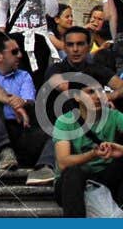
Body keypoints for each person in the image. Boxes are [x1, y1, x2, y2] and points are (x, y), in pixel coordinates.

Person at [0, 31, 56, 185]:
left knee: (56, 128)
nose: (20, 55)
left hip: (17, 129)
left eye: (19, 51)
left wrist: (22, 105)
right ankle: (5, 149)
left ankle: (44, 167)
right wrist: (11, 102)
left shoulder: (24, 76)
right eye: (14, 52)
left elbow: (28, 100)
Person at [53, 76, 123, 217]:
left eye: (100, 91)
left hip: (104, 178)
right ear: (77, 97)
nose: (97, 96)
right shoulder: (65, 121)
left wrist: (120, 150)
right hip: (72, 184)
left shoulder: (114, 116)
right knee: (72, 173)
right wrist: (93, 154)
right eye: (90, 92)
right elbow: (63, 162)